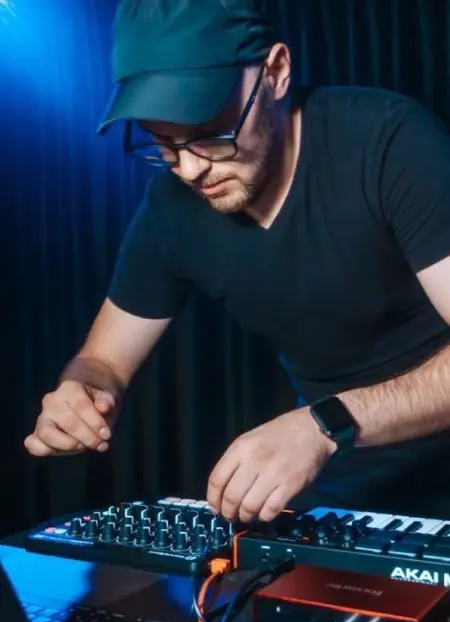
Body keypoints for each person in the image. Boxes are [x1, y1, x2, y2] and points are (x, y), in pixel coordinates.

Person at [25, 0, 450, 523]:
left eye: (209, 132)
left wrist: (325, 423)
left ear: (275, 72)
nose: (189, 170)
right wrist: (82, 394)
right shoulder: (170, 208)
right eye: (163, 143)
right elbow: (103, 362)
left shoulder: (388, 140)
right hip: (346, 470)